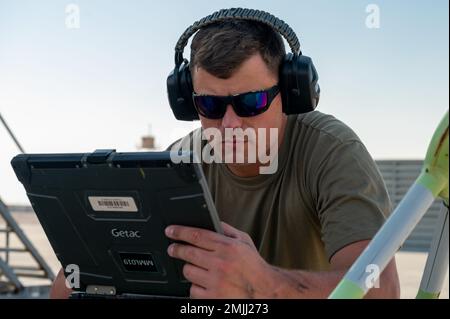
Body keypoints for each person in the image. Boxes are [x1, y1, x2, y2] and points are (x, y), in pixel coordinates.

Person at [50, 9, 400, 299]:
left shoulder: (332, 152)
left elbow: (381, 290)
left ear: (291, 94)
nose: (230, 125)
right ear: (189, 101)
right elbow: (69, 287)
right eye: (211, 105)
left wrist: (262, 283)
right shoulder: (180, 161)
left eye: (251, 102)